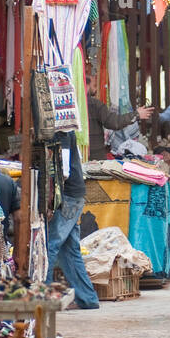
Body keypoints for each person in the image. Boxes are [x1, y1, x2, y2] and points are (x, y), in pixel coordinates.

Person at [47, 128, 100, 310]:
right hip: (74, 194)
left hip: (68, 196)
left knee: (50, 246)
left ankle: (43, 298)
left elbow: (65, 171)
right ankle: (88, 299)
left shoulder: (61, 133)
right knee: (69, 250)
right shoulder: (67, 132)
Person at [86, 75, 153, 160]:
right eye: (94, 85)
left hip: (78, 155)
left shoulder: (74, 105)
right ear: (87, 86)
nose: (96, 89)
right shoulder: (95, 105)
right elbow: (113, 122)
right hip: (95, 156)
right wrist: (136, 114)